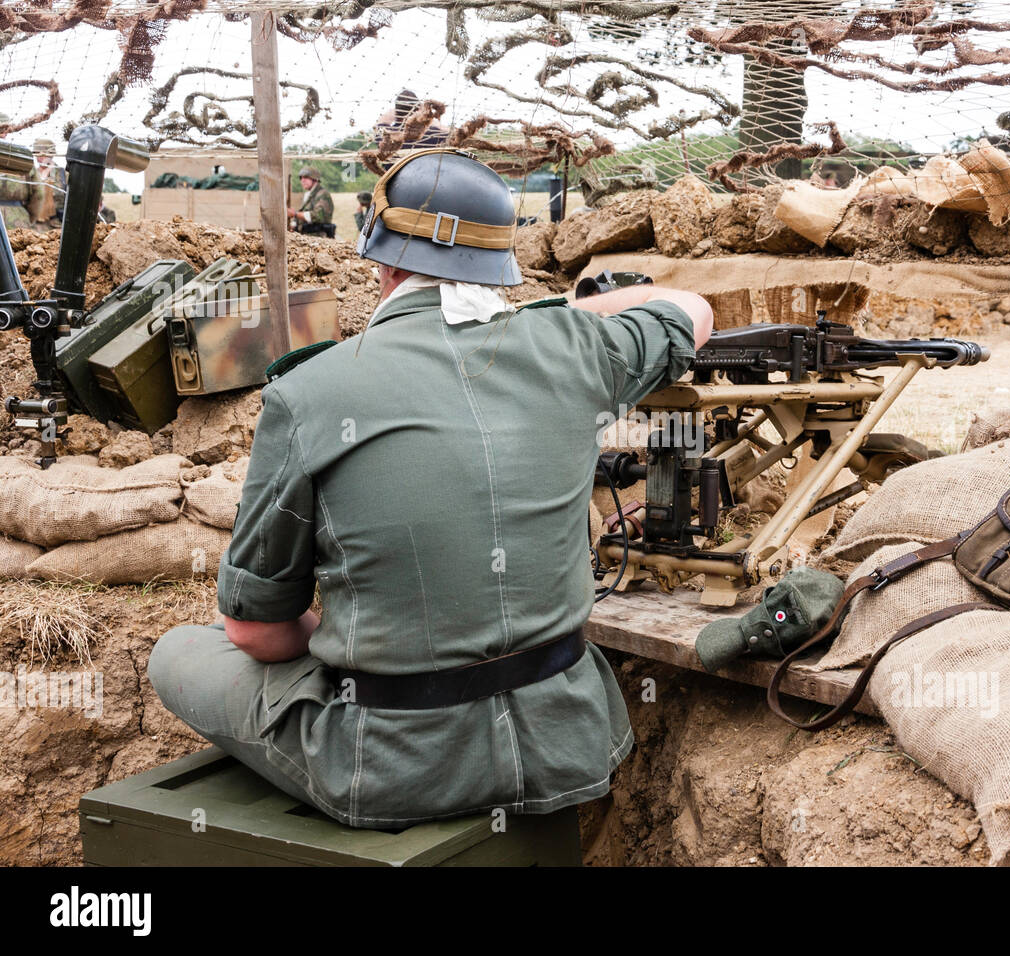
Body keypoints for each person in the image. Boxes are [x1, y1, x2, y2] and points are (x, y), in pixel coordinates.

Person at [148, 148, 713, 828]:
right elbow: (687, 306)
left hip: (391, 767)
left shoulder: (309, 392)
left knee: (183, 647)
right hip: (573, 742)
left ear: (383, 262)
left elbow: (258, 632)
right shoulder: (578, 349)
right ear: (500, 264)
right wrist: (560, 311)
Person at [0, 143, 50, 232]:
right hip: (17, 219)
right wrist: (31, 216)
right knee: (18, 244)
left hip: (17, 216)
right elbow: (39, 194)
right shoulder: (24, 161)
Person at [287, 166, 335, 237]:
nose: (302, 180)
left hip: (319, 237)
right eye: (301, 178)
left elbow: (318, 216)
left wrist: (295, 214)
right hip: (308, 236)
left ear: (315, 179)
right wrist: (294, 225)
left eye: (306, 177)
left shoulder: (322, 194)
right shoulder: (309, 195)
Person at [32, 137, 66, 227]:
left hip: (56, 225)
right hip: (34, 225)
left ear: (51, 155)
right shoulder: (32, 174)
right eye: (37, 154)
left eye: (43, 155)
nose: (40, 158)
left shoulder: (63, 175)